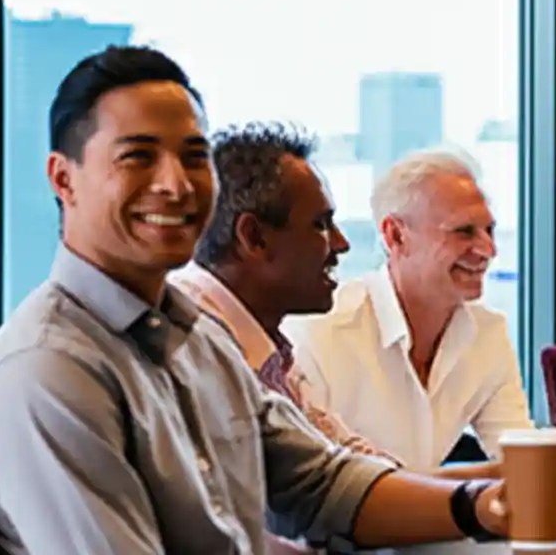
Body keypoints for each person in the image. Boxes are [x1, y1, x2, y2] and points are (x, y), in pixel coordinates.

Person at [0, 46, 507, 554]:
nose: (176, 184)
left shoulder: (199, 337)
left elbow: (320, 484)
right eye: (138, 158)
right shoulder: (48, 372)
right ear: (63, 180)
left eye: (194, 157)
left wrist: (483, 507)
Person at [282, 149, 556, 495]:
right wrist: (537, 468)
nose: (488, 249)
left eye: (489, 230)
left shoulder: (487, 333)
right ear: (395, 236)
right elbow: (339, 492)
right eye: (464, 232)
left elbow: (515, 450)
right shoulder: (318, 332)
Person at [170, 122, 398, 464]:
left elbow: (354, 466)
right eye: (320, 224)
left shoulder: (267, 351)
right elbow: (329, 491)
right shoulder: (196, 349)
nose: (341, 243)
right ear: (254, 238)